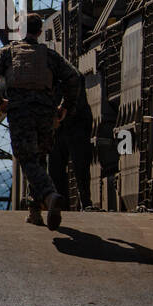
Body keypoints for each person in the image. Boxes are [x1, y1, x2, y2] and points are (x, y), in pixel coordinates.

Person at [0, 13, 82, 230]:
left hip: (20, 111)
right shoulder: (50, 56)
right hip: (46, 111)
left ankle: (49, 195)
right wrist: (65, 106)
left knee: (27, 159)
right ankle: (34, 213)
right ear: (39, 32)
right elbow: (73, 77)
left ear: (20, 30)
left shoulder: (7, 53)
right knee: (39, 159)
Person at [49, 71, 94, 210]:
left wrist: (63, 107)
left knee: (80, 166)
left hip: (76, 124)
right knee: (55, 168)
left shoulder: (68, 74)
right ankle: (62, 205)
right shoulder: (44, 75)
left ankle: (85, 203)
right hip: (58, 127)